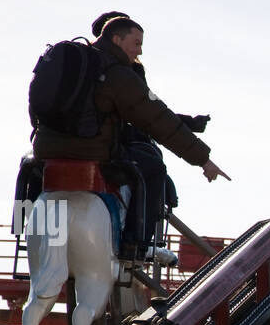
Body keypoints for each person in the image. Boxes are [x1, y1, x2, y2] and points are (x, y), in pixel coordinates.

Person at [31, 16, 229, 262]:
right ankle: (136, 245)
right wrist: (203, 159)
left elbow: (36, 105)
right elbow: (154, 117)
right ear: (117, 39)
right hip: (92, 151)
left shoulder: (67, 60)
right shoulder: (117, 73)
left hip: (46, 150)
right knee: (152, 168)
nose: (140, 50)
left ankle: (23, 229)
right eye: (136, 43)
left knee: (27, 173)